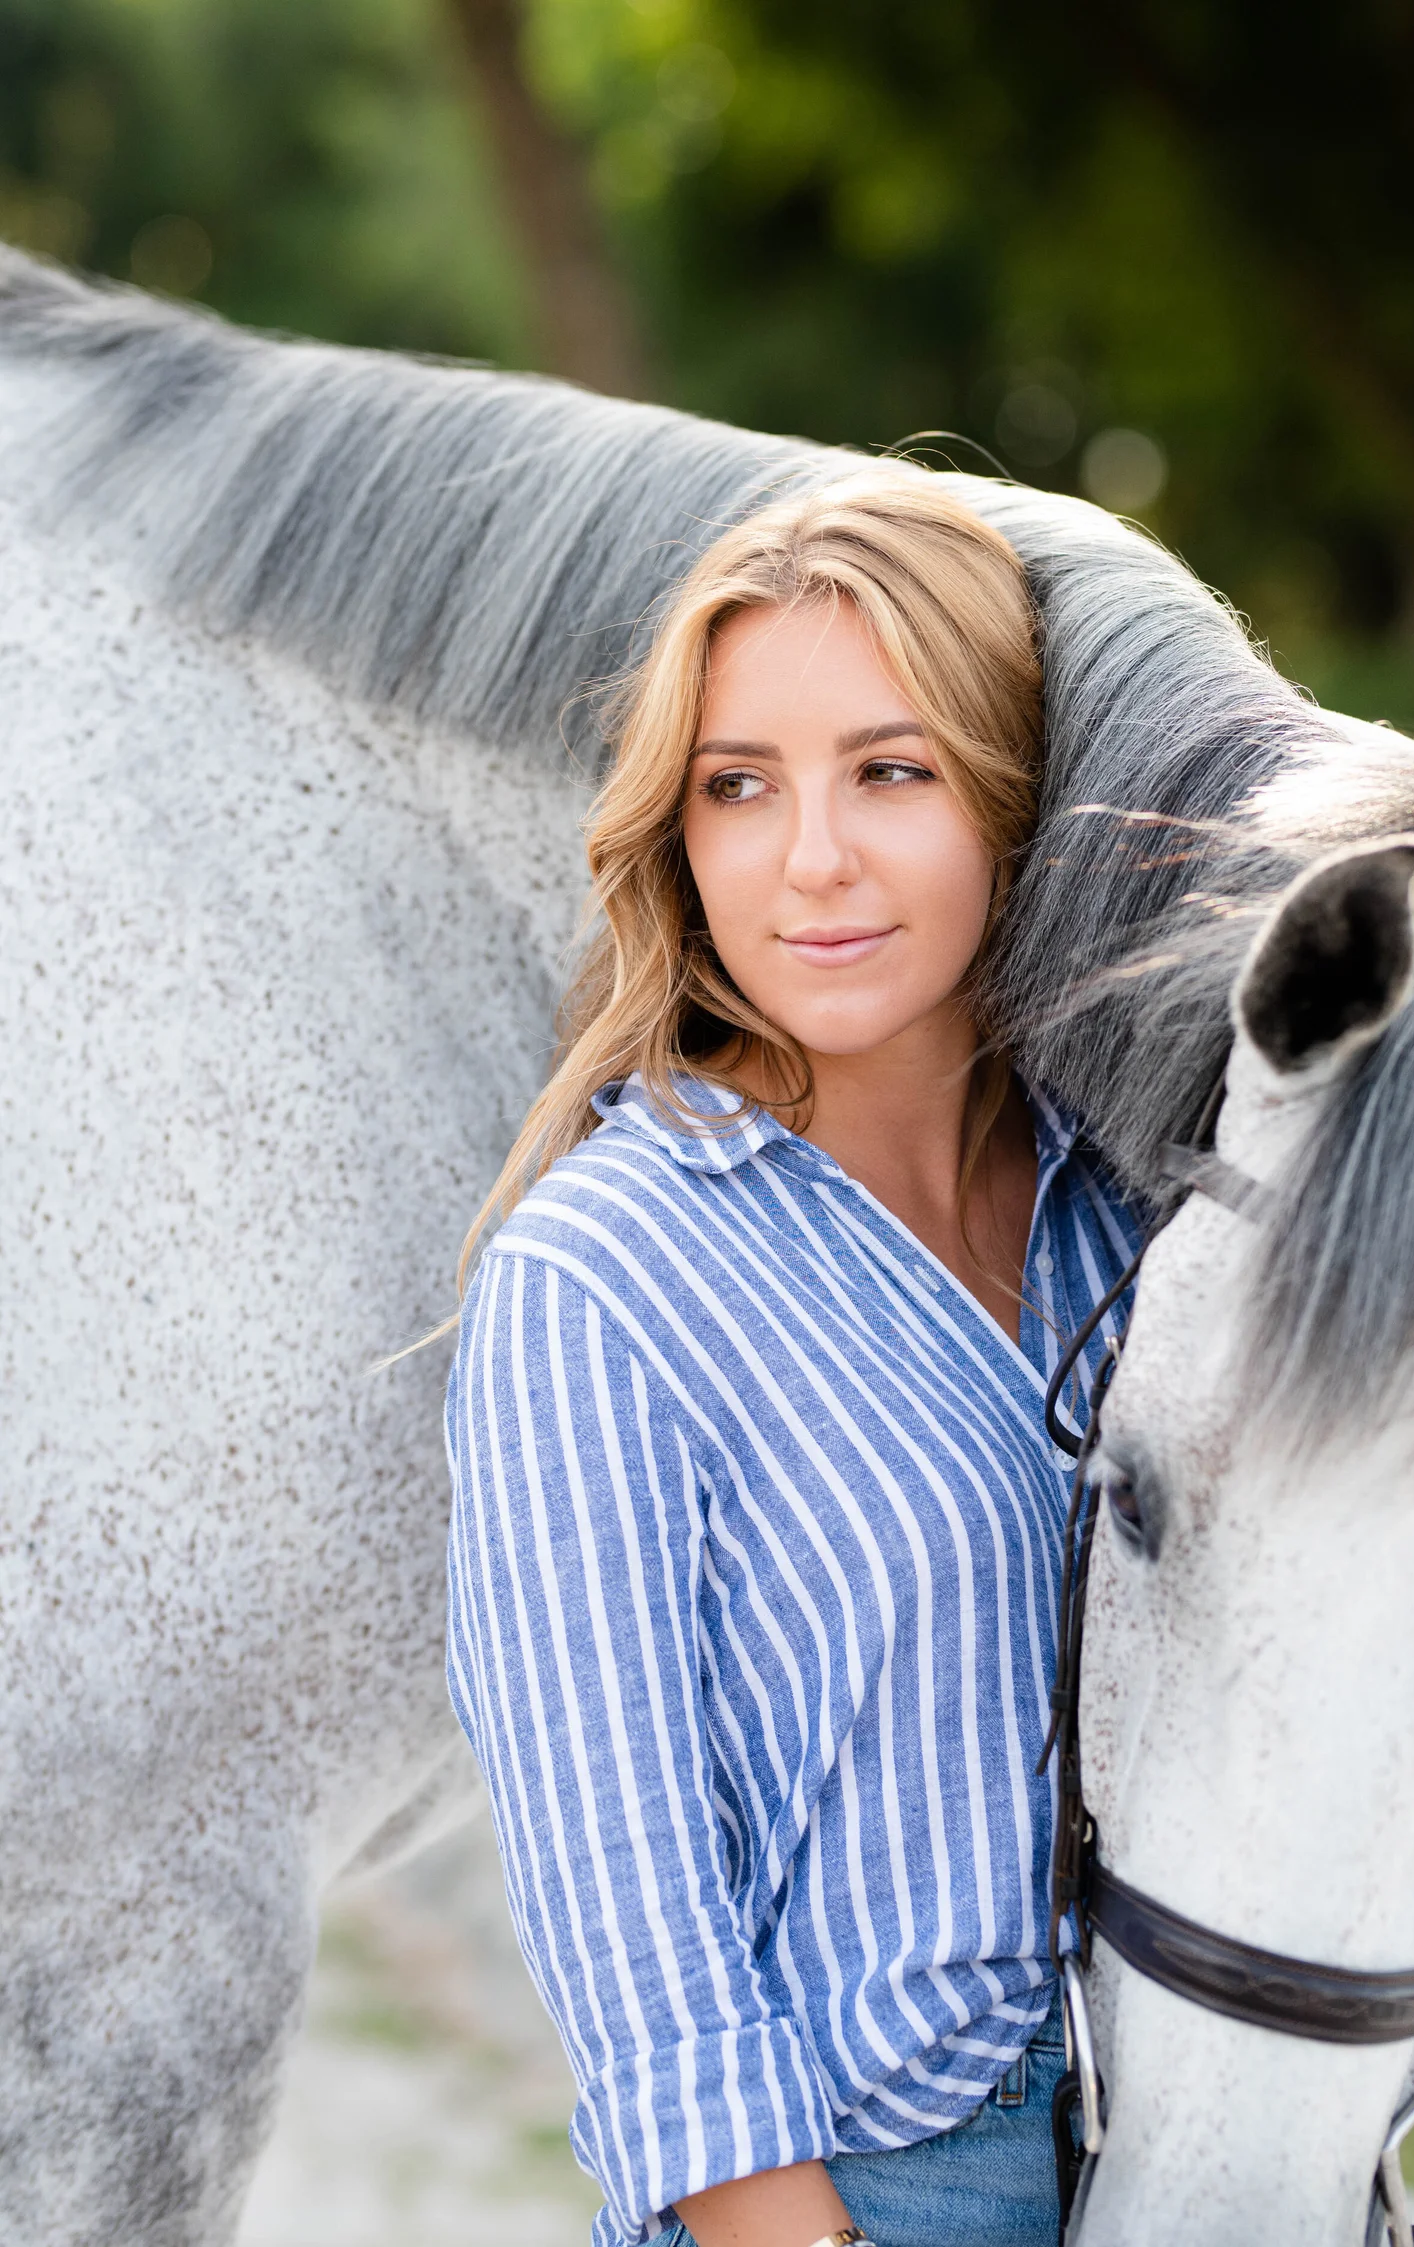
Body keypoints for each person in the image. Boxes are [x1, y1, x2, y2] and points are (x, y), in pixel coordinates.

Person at [445, 472, 1140, 2247]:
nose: (807, 857)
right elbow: (622, 1891)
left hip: (1190, 2135)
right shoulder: (603, 1275)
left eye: (889, 772)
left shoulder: (1129, 1216)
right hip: (881, 2188)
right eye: (737, 786)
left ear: (1012, 796)